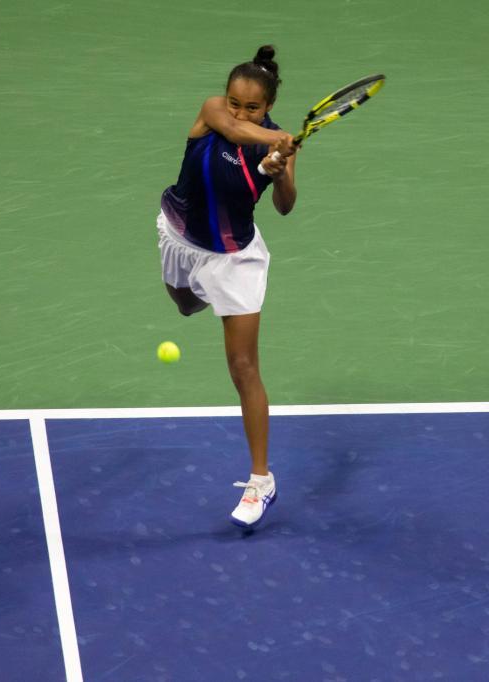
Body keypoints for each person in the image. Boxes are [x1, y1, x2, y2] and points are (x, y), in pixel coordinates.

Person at [156, 45, 298, 529]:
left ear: (268, 104)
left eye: (252, 107)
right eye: (234, 102)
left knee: (243, 367)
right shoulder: (214, 112)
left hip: (235, 259)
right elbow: (235, 132)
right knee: (183, 305)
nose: (239, 112)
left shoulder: (278, 146)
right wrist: (276, 137)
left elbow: (285, 206)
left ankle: (261, 480)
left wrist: (279, 169)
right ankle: (200, 295)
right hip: (180, 237)